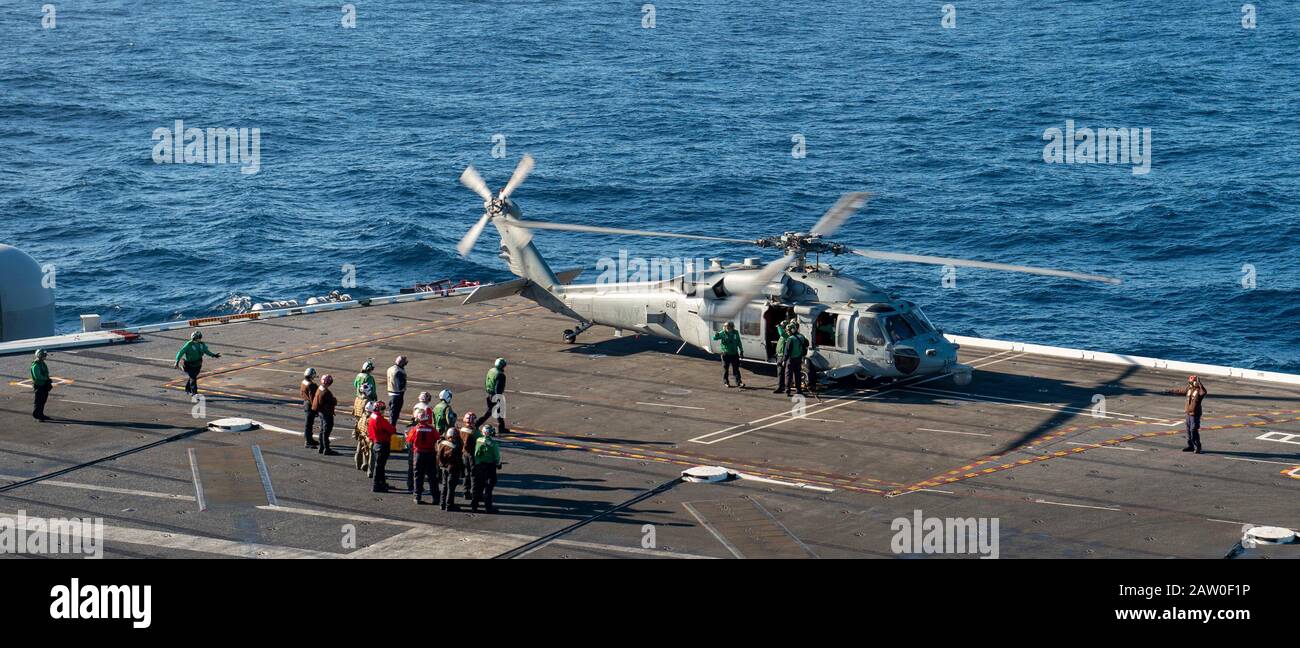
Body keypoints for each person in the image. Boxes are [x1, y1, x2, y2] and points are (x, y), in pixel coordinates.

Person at [406, 403, 439, 505]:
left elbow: (408, 440)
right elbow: (437, 438)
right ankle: (435, 498)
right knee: (432, 477)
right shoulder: (432, 429)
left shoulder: (415, 429)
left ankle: (417, 497)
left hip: (419, 454)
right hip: (430, 454)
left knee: (418, 477)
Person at [1168, 375, 1209, 454]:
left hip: (1195, 414)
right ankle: (1190, 446)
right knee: (1188, 431)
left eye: (1191, 382)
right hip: (1188, 414)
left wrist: (1200, 384)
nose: (1190, 384)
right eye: (1189, 382)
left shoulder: (1199, 391)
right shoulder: (1189, 389)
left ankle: (1198, 447)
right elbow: (1181, 391)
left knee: (1193, 430)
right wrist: (1171, 391)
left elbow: (1204, 392)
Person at [174, 331, 221, 395]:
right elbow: (180, 352)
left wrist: (213, 355)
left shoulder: (201, 344)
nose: (200, 339)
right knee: (193, 378)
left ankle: (187, 389)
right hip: (189, 365)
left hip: (198, 364)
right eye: (198, 337)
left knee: (193, 377)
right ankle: (194, 393)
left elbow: (206, 351)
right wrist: (177, 361)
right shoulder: (188, 345)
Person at [471, 424, 501, 513]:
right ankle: (488, 507)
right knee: (488, 488)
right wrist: (498, 464)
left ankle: (474, 506)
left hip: (478, 466)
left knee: (478, 487)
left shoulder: (478, 440)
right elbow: (497, 457)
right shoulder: (493, 444)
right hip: (489, 467)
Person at [367, 401, 396, 492]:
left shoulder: (372, 416)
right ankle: (376, 484)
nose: (384, 410)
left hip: (376, 442)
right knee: (379, 466)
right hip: (382, 443)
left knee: (380, 465)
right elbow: (392, 429)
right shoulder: (380, 419)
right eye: (383, 409)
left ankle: (382, 483)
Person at [474, 359, 508, 433]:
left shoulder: (491, 370)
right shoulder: (501, 375)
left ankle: (501, 427)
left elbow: (486, 381)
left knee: (499, 412)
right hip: (495, 395)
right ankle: (476, 424)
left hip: (489, 393)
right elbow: (498, 388)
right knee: (489, 412)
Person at [436, 429, 464, 511]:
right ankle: (449, 505)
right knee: (451, 488)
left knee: (444, 486)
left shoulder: (442, 443)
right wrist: (462, 469)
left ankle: (442, 504)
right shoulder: (456, 446)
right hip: (453, 468)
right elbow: (459, 459)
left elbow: (438, 455)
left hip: (444, 467)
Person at [312, 375, 338, 455]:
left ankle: (322, 447)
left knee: (322, 430)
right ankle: (327, 449)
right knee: (326, 431)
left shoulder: (319, 388)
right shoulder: (326, 392)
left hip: (321, 412)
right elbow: (334, 401)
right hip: (326, 413)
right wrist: (334, 399)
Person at [713, 321, 744, 388]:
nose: (728, 329)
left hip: (734, 353)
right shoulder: (722, 333)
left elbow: (738, 342)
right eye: (727, 327)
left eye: (730, 327)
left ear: (732, 327)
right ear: (725, 327)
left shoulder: (735, 332)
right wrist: (716, 335)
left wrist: (741, 351)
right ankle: (726, 382)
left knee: (736, 369)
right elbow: (714, 338)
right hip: (725, 354)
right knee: (726, 369)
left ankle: (739, 382)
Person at [783, 323, 809, 396]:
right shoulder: (801, 337)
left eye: (788, 331)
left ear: (792, 330)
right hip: (798, 359)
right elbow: (806, 345)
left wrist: (784, 360)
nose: (787, 332)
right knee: (797, 375)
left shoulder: (790, 339)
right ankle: (799, 390)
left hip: (791, 360)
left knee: (788, 375)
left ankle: (787, 390)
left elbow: (787, 351)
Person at [353, 383, 374, 472]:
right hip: (365, 423)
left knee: (359, 447)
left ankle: (358, 464)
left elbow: (354, 411)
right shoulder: (368, 401)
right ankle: (365, 465)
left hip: (359, 423)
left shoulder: (357, 399)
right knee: (367, 450)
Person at [459, 412, 479, 498]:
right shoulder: (475, 432)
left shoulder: (462, 430)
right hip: (472, 455)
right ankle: (475, 493)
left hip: (464, 454)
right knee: (474, 474)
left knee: (466, 473)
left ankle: (466, 491)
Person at [30, 349, 52, 422]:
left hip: (43, 384)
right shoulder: (36, 365)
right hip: (39, 385)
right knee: (39, 401)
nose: (45, 357)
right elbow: (38, 376)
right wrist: (46, 379)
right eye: (44, 355)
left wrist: (47, 379)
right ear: (40, 356)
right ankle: (37, 416)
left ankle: (41, 414)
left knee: (43, 400)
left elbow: (46, 372)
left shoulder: (42, 363)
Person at [386, 356, 408, 426]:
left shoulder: (390, 368)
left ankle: (391, 428)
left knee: (392, 413)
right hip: (397, 395)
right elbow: (400, 385)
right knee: (394, 414)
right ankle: (392, 430)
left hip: (391, 393)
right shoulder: (399, 372)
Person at [300, 368, 319, 449]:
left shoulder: (303, 382)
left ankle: (310, 439)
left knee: (309, 424)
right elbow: (312, 398)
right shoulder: (311, 385)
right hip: (310, 405)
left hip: (305, 403)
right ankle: (308, 441)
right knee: (309, 424)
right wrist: (315, 408)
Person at [773, 320, 791, 394]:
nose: (782, 327)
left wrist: (778, 327)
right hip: (779, 355)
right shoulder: (784, 335)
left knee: (786, 373)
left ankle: (786, 388)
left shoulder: (787, 335)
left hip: (783, 356)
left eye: (783, 326)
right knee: (780, 372)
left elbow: (782, 333)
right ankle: (781, 386)